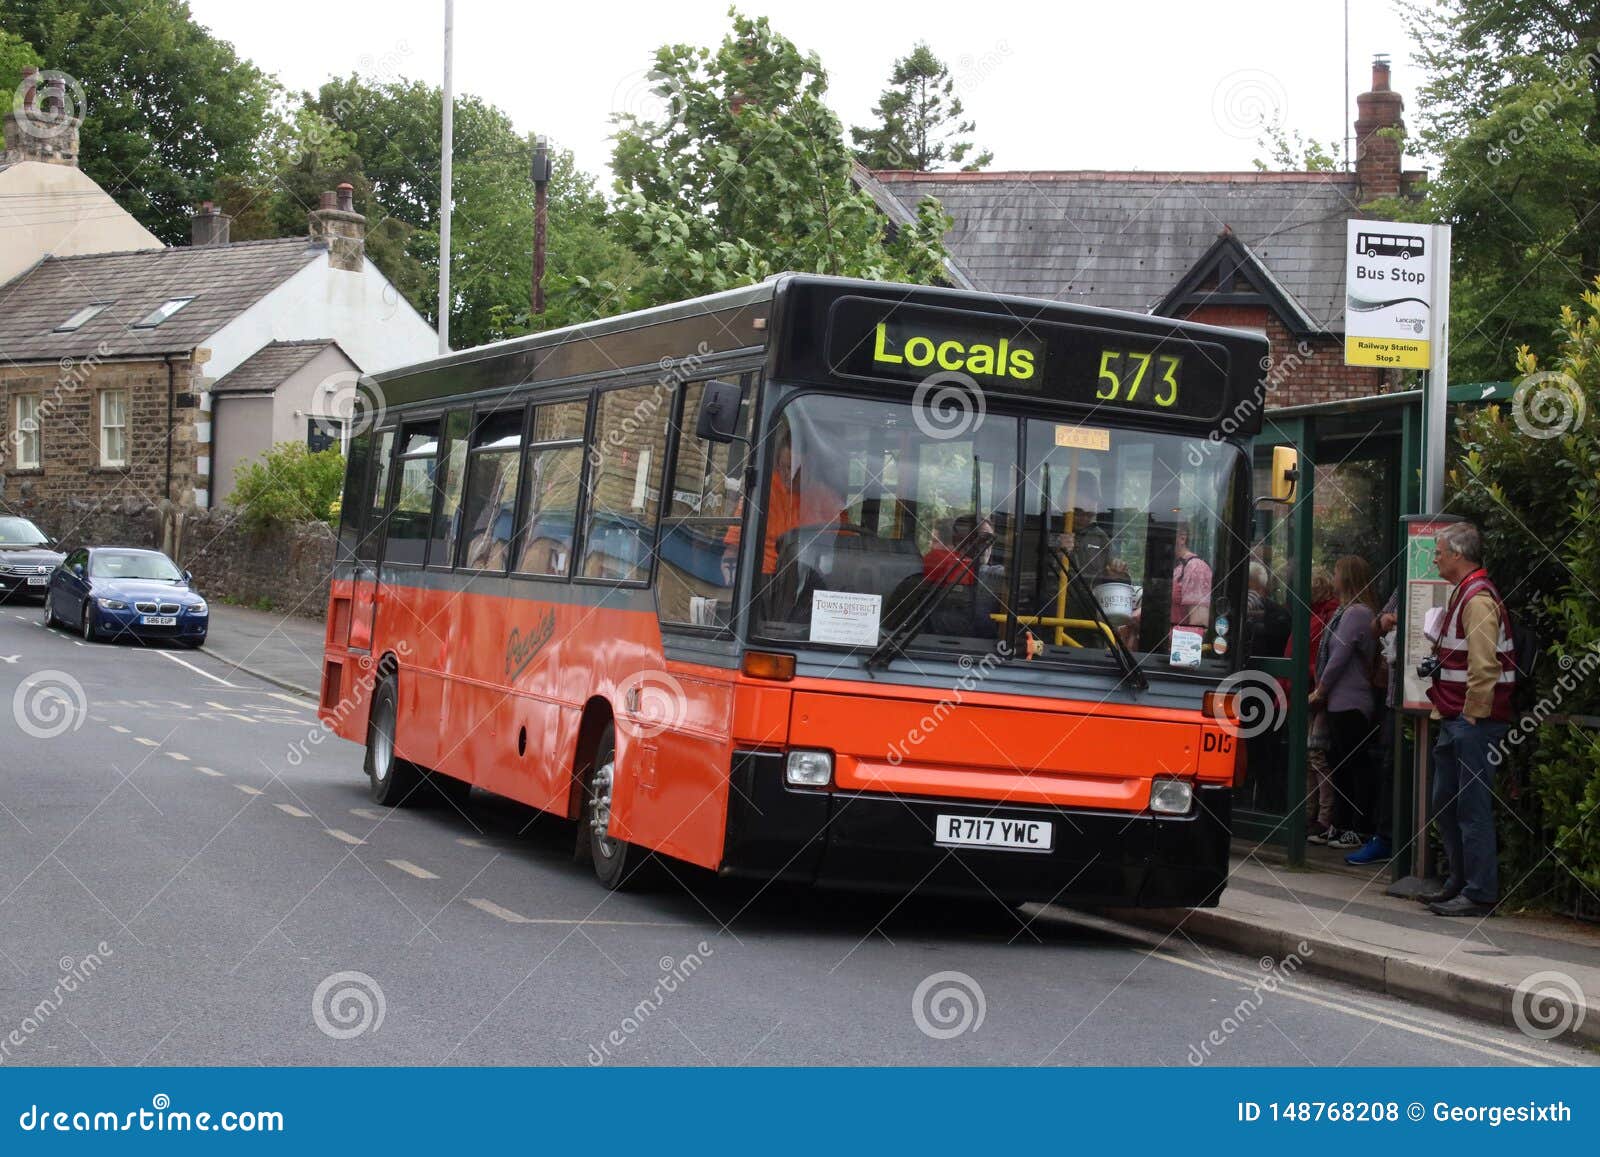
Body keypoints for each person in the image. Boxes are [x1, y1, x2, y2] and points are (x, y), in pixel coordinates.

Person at [1421, 522, 1513, 917]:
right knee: (1447, 802)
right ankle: (1460, 882)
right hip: (1457, 717)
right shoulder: (1467, 593)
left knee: (1470, 808)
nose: (1436, 557)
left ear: (1458, 554)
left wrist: (1474, 714)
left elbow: (1484, 665)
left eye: (1440, 551)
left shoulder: (1476, 598)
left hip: (1473, 722)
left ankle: (1479, 893)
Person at [1309, 555, 1380, 852]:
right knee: (1338, 764)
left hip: (1351, 701)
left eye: (1337, 572)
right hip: (1342, 701)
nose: (1333, 577)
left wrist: (1320, 690)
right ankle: (1340, 824)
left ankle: (1357, 827)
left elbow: (1339, 655)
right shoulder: (1347, 612)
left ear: (1348, 577)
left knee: (1353, 766)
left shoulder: (1356, 614)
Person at [722, 424, 845, 581]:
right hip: (762, 580)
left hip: (811, 580)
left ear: (811, 468)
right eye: (783, 468)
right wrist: (733, 577)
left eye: (794, 469)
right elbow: (733, 549)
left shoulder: (829, 501)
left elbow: (845, 550)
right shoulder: (761, 491)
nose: (788, 475)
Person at [1347, 587, 1401, 865]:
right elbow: (1375, 625)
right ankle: (1386, 838)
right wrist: (1384, 621)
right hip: (1394, 697)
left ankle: (1400, 840)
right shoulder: (1405, 581)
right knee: (1389, 767)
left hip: (1423, 699)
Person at [1293, 570, 1340, 844]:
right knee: (1309, 757)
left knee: (1316, 757)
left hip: (1316, 691)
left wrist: (1315, 684)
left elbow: (1319, 654)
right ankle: (1308, 814)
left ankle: (1323, 818)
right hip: (1309, 688)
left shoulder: (1325, 616)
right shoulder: (1316, 614)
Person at [1170, 522, 1213, 627]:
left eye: (1165, 535)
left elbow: (1199, 623)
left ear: (1182, 538)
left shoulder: (1195, 568)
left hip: (1177, 641)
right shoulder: (1176, 567)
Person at [1246, 559, 1291, 657]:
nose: (1249, 596)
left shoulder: (1278, 615)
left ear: (1261, 589)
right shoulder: (1232, 610)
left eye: (1250, 590)